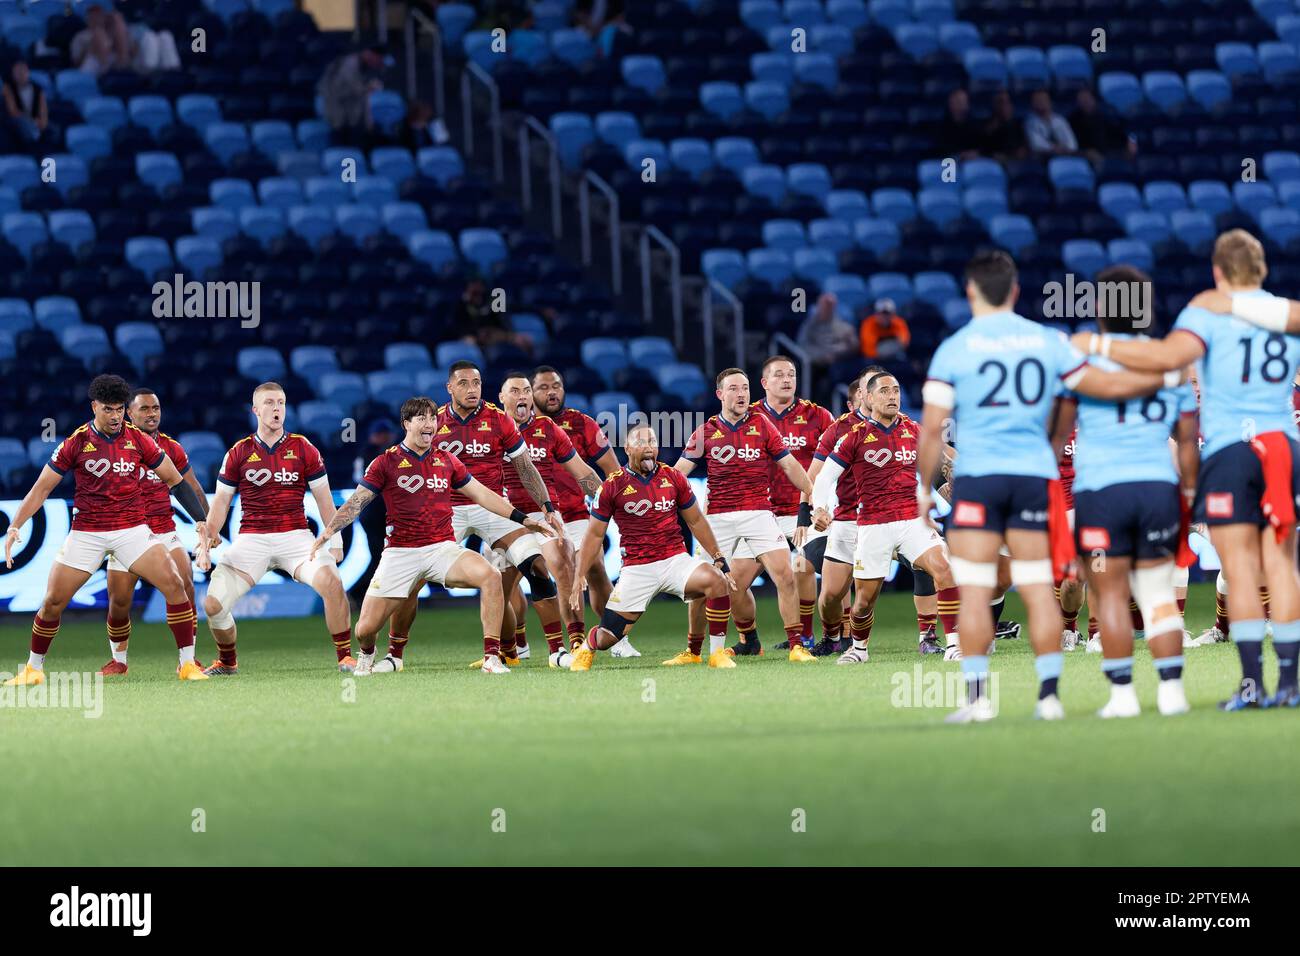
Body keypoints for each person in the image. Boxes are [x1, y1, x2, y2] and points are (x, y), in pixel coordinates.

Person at [917, 250, 1182, 723]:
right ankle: (1049, 699)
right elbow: (1099, 387)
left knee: (975, 590)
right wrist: (1161, 379)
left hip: (979, 478)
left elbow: (933, 430)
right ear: (1016, 291)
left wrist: (923, 491)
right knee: (1040, 588)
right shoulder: (1048, 341)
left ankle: (977, 702)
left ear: (970, 291)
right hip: (1035, 476)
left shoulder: (953, 348)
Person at [1074, 229, 1300, 709]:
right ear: (1261, 269)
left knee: (1240, 572)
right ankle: (1290, 684)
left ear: (1217, 272)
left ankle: (1251, 687)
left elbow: (1165, 358)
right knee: (1282, 566)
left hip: (1230, 450)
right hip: (1282, 444)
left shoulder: (1204, 311)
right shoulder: (1287, 314)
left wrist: (1097, 344)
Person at [309, 397, 552, 677]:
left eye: (432, 418)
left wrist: (523, 519)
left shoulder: (446, 460)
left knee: (490, 576)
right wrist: (329, 532)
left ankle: (492, 657)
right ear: (406, 424)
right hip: (400, 553)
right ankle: (368, 654)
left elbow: (483, 494)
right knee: (364, 630)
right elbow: (356, 502)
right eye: (422, 419)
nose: (430, 424)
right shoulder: (385, 462)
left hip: (441, 549)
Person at [1052, 264, 1199, 717]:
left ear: (1099, 307)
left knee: (1110, 594)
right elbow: (1188, 440)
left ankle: (1122, 696)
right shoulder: (1171, 362)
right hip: (1157, 490)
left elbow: (1056, 437)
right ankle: (1171, 692)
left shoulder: (1079, 359)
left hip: (1101, 495)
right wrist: (1188, 495)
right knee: (1157, 593)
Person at [3, 375, 211, 685]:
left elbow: (175, 481)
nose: (115, 416)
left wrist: (200, 519)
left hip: (132, 530)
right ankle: (33, 669)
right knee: (53, 602)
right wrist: (15, 525)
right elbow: (41, 488)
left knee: (175, 585)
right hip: (87, 532)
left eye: (119, 409)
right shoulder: (76, 442)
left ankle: (187, 664)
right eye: (108, 410)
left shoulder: (138, 439)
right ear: (94, 407)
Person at [383, 362, 562, 671]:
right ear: (450, 388)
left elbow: (525, 467)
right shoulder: (434, 421)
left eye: (476, 383)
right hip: (446, 509)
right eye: (463, 383)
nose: (471, 389)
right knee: (412, 580)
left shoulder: (498, 419)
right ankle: (394, 655)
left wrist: (547, 506)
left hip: (491, 505)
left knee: (537, 565)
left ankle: (557, 651)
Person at [197, 382, 355, 675]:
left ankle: (345, 658)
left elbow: (324, 498)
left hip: (296, 537)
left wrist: (336, 540)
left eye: (281, 402)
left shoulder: (303, 447)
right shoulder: (238, 452)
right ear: (256, 410)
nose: (276, 408)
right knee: (213, 605)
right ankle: (228, 662)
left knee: (333, 584)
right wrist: (209, 538)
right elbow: (220, 502)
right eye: (269, 403)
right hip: (252, 539)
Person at [812, 372, 961, 664]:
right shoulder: (853, 437)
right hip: (873, 525)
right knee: (863, 602)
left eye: (896, 390)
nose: (892, 396)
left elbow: (939, 466)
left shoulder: (914, 430)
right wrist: (819, 508)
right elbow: (825, 478)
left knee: (944, 569)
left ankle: (954, 645)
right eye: (884, 391)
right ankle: (859, 649)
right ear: (868, 397)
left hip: (911, 521)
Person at [672, 368, 816, 663]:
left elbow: (789, 465)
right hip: (717, 517)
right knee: (701, 587)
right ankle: (694, 651)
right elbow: (679, 474)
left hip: (758, 512)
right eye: (734, 389)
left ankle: (796, 646)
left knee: (785, 575)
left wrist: (813, 497)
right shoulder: (706, 431)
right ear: (720, 394)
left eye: (745, 389)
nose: (741, 394)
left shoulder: (762, 425)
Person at [569, 425, 736, 672]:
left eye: (653, 442)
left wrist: (718, 556)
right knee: (607, 638)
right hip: (637, 569)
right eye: (641, 442)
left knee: (716, 581)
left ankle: (716, 654)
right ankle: (588, 645)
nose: (648, 447)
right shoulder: (612, 486)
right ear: (627, 448)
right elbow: (594, 535)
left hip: (675, 561)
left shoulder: (674, 477)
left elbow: (696, 520)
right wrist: (579, 575)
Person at [497, 372, 602, 668]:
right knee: (498, 585)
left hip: (545, 514)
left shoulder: (548, 429)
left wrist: (609, 500)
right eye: (514, 391)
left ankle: (576, 642)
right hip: (503, 516)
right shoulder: (491, 430)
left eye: (526, 391)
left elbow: (582, 472)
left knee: (563, 561)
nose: (522, 396)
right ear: (501, 398)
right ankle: (508, 647)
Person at [102, 388, 209, 676]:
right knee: (119, 603)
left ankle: (188, 659)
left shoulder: (172, 448)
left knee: (185, 585)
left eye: (156, 408)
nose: (152, 414)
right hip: (127, 531)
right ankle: (119, 660)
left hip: (163, 530)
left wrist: (207, 525)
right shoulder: (114, 446)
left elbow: (192, 487)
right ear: (129, 413)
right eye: (145, 409)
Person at [530, 365, 625, 652]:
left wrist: (619, 505)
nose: (552, 392)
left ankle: (616, 638)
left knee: (594, 570)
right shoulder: (515, 427)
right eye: (544, 387)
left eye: (556, 386)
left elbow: (612, 469)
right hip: (532, 516)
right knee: (505, 576)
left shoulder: (582, 424)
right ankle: (515, 645)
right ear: (530, 393)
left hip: (575, 514)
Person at [347, 418, 397, 603]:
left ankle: (368, 595)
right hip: (375, 512)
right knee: (381, 557)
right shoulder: (375, 454)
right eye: (385, 435)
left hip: (373, 512)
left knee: (382, 557)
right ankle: (359, 593)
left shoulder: (368, 452)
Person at [318, 45, 386, 146]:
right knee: (342, 146)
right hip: (339, 113)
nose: (377, 63)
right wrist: (369, 87)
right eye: (377, 60)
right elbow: (353, 88)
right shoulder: (350, 64)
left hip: (350, 115)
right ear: (370, 54)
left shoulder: (362, 65)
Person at [797, 292, 859, 391]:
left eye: (830, 305)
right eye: (825, 304)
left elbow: (852, 345)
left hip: (838, 359)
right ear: (819, 305)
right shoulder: (809, 325)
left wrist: (839, 353)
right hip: (816, 363)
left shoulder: (842, 324)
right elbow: (803, 345)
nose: (827, 307)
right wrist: (822, 356)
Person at [453, 278, 533, 353]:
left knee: (523, 341)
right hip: (474, 339)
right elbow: (459, 330)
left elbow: (505, 326)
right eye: (474, 293)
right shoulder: (461, 306)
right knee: (470, 343)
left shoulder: (494, 301)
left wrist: (507, 336)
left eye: (481, 292)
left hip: (495, 336)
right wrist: (474, 336)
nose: (478, 297)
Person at [1069, 87, 1136, 164]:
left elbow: (1128, 129)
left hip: (1114, 150)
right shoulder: (1074, 120)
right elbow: (1072, 145)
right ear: (1078, 103)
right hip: (1092, 154)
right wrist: (1085, 152)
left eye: (1087, 99)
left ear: (1093, 99)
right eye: (1082, 101)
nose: (1085, 103)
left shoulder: (1108, 112)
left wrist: (1132, 141)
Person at [2, 61, 52, 147]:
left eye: (23, 71)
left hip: (35, 125)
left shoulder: (37, 89)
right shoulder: (8, 89)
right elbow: (12, 111)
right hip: (16, 125)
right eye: (17, 72)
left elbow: (43, 112)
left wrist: (40, 122)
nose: (20, 74)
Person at [1024, 88, 1078, 156]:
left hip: (1065, 155)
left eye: (1043, 99)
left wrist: (1065, 149)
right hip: (1042, 157)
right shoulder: (1030, 122)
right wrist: (1054, 148)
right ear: (1032, 103)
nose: (1040, 102)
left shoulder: (1060, 120)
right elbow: (1036, 144)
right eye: (1037, 100)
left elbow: (1072, 144)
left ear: (1050, 101)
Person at [935, 88, 982, 160]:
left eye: (964, 101)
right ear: (950, 103)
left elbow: (981, 147)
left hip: (972, 162)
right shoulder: (941, 126)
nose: (962, 105)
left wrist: (976, 152)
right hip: (948, 161)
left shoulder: (975, 125)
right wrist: (959, 155)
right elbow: (940, 150)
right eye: (958, 101)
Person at [982, 89, 1028, 162]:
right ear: (994, 105)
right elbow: (984, 152)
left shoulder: (1019, 125)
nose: (1004, 106)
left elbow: (1023, 151)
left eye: (1007, 102)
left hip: (1016, 163)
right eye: (1000, 102)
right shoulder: (986, 128)